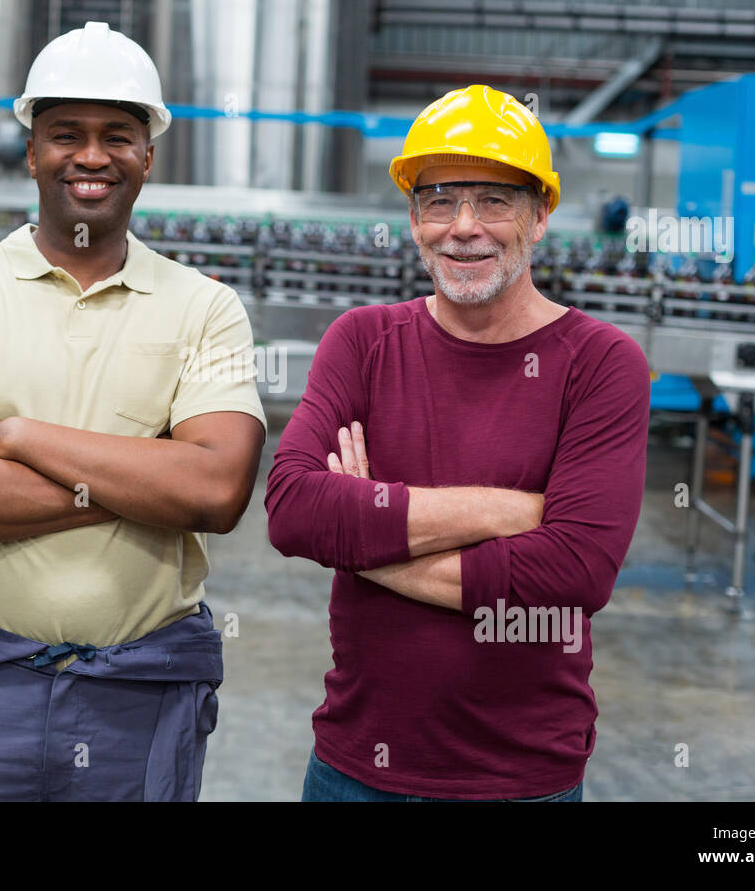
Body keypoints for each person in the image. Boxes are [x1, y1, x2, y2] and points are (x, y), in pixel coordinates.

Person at [0, 22, 266, 801]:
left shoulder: (206, 310)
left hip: (139, 693)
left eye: (117, 135)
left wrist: (18, 438)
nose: (91, 156)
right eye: (66, 135)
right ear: (30, 152)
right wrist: (145, 476)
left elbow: (217, 493)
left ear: (147, 155)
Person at [265, 84, 650, 801]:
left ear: (540, 218)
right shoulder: (363, 341)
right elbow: (292, 512)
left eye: (495, 201)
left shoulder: (600, 363)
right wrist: (512, 512)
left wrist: (364, 541)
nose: (463, 227)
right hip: (353, 768)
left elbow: (574, 576)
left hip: (521, 777)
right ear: (414, 219)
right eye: (439, 200)